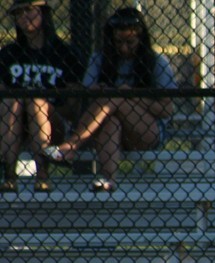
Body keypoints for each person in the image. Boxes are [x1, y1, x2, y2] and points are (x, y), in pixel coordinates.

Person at [41, 7, 176, 192]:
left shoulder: (157, 61)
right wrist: (95, 91)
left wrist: (132, 96)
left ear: (141, 39)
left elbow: (166, 109)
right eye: (118, 41)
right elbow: (83, 98)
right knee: (111, 119)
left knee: (115, 97)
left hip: (146, 129)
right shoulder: (100, 58)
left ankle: (71, 145)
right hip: (109, 128)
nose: (124, 48)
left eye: (130, 42)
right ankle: (108, 179)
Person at [0, 0, 85, 193]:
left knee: (35, 101)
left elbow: (72, 108)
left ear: (44, 13)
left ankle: (42, 175)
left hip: (54, 123)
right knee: (13, 100)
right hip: (14, 124)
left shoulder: (65, 54)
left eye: (29, 10)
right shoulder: (8, 54)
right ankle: (9, 176)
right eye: (18, 13)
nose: (24, 17)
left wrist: (44, 104)